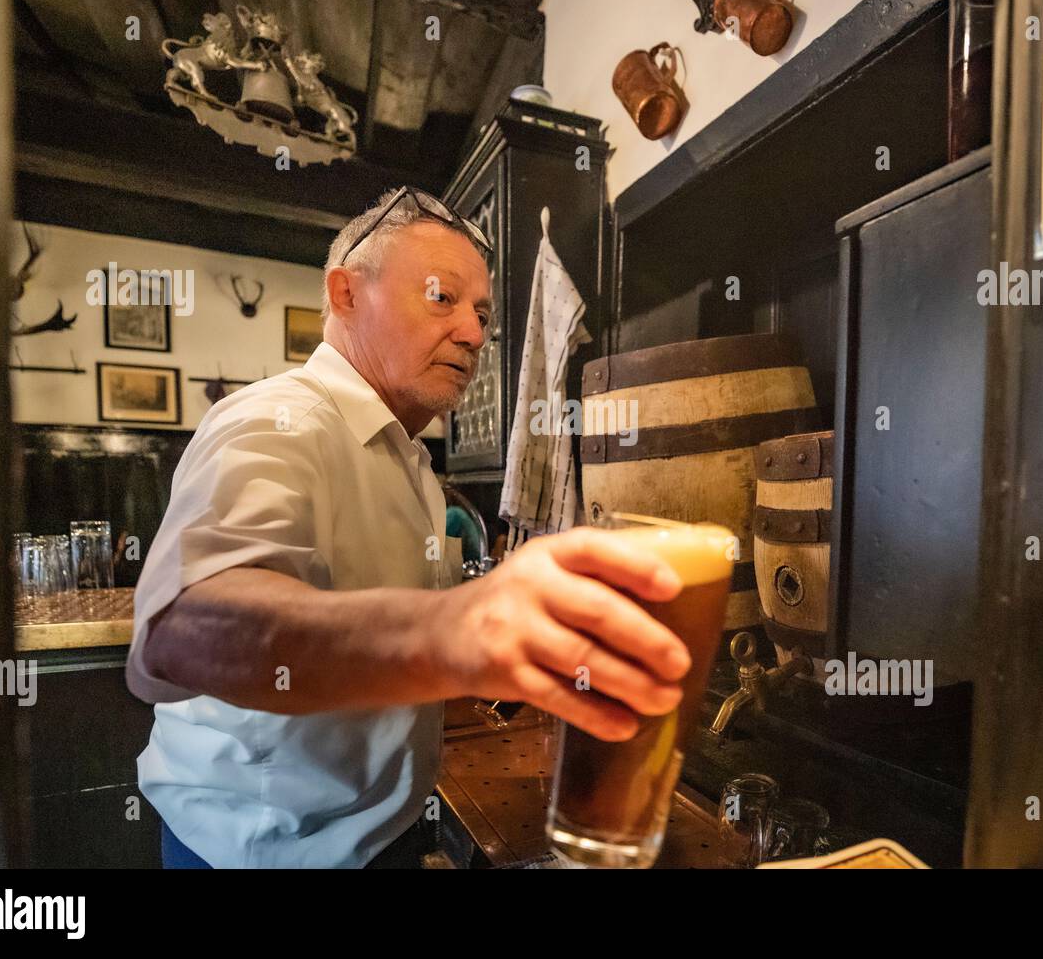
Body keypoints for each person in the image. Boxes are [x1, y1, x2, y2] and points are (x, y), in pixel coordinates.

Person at [127, 187, 690, 868]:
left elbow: (382, 642)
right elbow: (179, 629)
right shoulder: (280, 419)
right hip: (260, 853)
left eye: (482, 312)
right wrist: (458, 629)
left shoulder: (410, 459)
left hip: (381, 837)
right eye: (441, 297)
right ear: (345, 295)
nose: (476, 332)